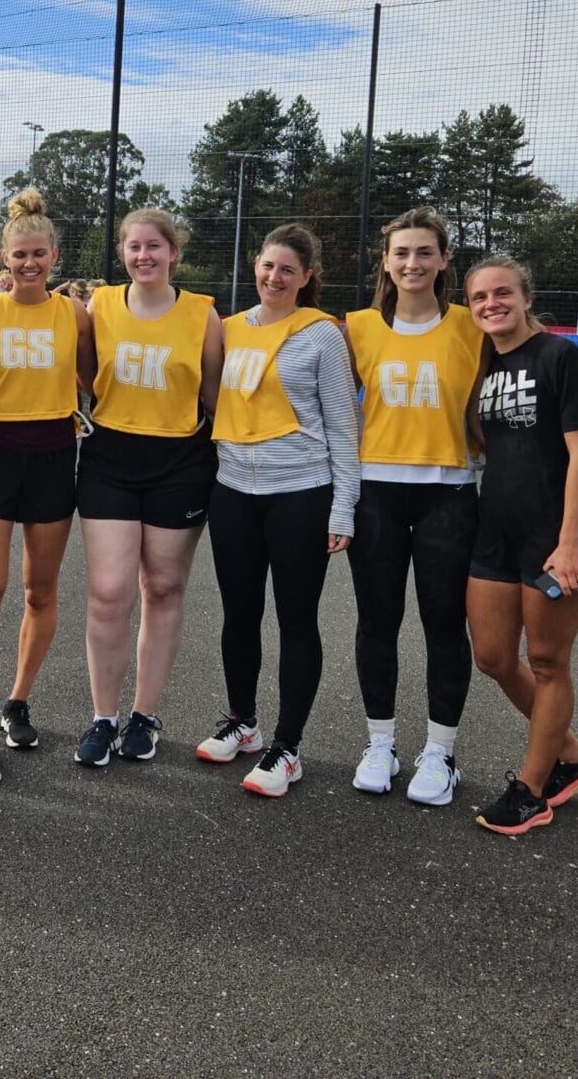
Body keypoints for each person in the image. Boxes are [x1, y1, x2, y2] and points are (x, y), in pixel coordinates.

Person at [197, 224, 360, 797]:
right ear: (256, 265)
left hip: (301, 494)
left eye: (288, 270)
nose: (274, 277)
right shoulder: (229, 328)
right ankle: (243, 721)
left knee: (295, 621)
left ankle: (287, 748)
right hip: (233, 491)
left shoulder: (322, 335)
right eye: (268, 266)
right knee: (238, 614)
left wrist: (344, 508)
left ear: (306, 277)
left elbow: (343, 426)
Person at [464, 254, 578, 835]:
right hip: (495, 531)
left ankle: (531, 790)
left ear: (526, 297)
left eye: (503, 293)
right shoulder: (483, 363)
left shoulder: (562, 357)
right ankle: (572, 756)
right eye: (479, 297)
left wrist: (570, 543)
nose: (491, 304)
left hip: (556, 540)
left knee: (548, 662)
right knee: (493, 657)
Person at [342, 208, 485, 806]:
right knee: (377, 622)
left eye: (425, 253)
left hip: (448, 493)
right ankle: (381, 743)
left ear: (444, 260)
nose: (412, 264)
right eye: (401, 253)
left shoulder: (471, 327)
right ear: (385, 260)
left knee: (443, 625)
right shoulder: (357, 328)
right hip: (374, 491)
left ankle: (440, 752)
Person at [0, 188, 94, 784]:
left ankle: (17, 702)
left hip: (56, 455)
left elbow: (90, 377)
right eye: (20, 255)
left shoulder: (75, 314)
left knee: (41, 592)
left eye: (40, 254)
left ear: (54, 256)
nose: (30, 263)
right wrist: (5, 412)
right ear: (5, 260)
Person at [72, 209, 221, 767]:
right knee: (110, 592)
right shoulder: (99, 306)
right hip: (111, 456)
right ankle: (102, 716)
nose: (144, 256)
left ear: (173, 252)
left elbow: (213, 395)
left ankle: (144, 715)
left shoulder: (203, 315)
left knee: (162, 588)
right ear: (122, 253)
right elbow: (86, 375)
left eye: (154, 246)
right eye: (134, 247)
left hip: (180, 461)